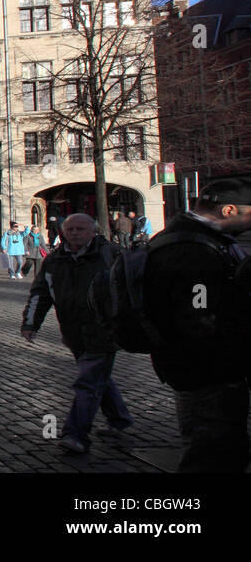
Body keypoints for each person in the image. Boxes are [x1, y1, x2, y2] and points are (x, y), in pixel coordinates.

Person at [142, 177, 251, 472]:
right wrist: (229, 362)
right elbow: (199, 316)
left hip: (191, 368)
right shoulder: (194, 251)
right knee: (213, 453)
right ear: (229, 210)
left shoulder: (179, 238)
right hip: (207, 372)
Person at [21, 213, 131, 454]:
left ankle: (76, 434)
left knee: (88, 382)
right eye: (70, 229)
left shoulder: (111, 256)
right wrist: (31, 324)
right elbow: (41, 293)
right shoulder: (55, 260)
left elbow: (130, 291)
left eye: (81, 229)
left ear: (94, 231)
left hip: (105, 331)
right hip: (73, 331)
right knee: (97, 377)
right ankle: (119, 418)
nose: (75, 233)